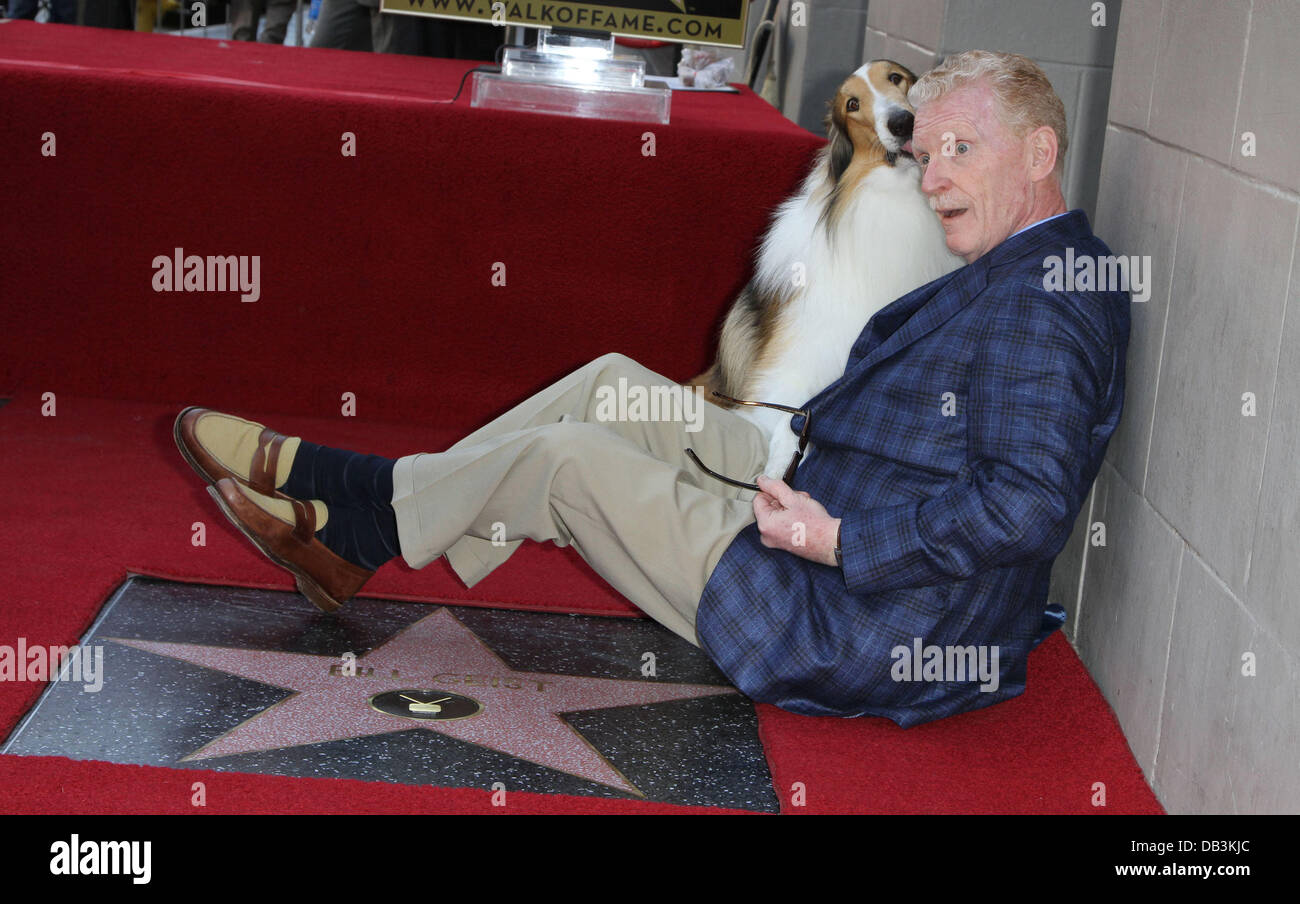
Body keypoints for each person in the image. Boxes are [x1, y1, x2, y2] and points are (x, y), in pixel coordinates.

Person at [175, 50, 1130, 728]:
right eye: (926, 155)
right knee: (609, 389)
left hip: (848, 616)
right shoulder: (1026, 266)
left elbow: (1027, 505)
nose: (931, 180)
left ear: (1041, 154)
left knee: (566, 463)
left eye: (963, 150)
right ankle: (354, 529)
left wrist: (839, 539)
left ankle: (349, 507)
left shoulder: (1043, 302)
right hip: (807, 500)